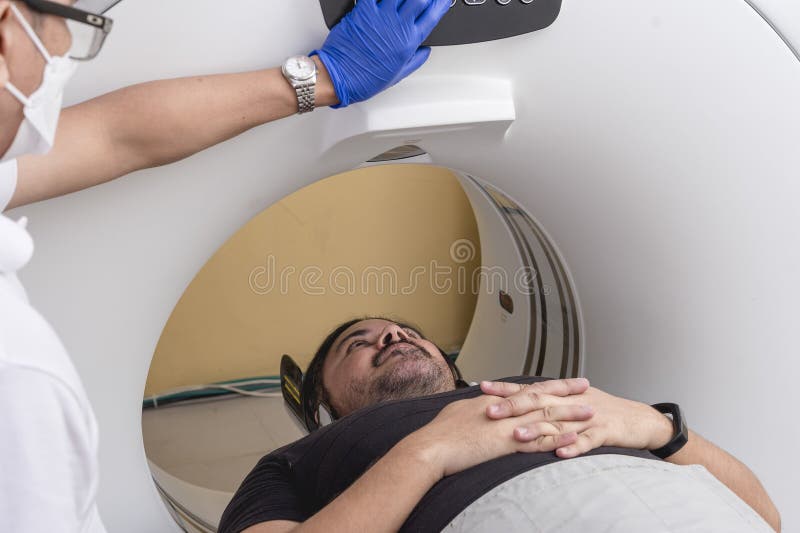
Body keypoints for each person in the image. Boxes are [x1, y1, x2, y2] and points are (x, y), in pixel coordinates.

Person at [0, 0, 451, 530]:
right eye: (67, 28)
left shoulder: (531, 392)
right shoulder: (18, 376)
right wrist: (440, 446)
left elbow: (116, 135)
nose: (60, 52)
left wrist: (325, 77)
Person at [218, 317, 781, 533]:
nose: (391, 336)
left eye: (405, 331)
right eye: (356, 344)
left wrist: (659, 428)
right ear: (326, 403)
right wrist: (429, 450)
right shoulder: (299, 460)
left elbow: (766, 518)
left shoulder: (545, 387)